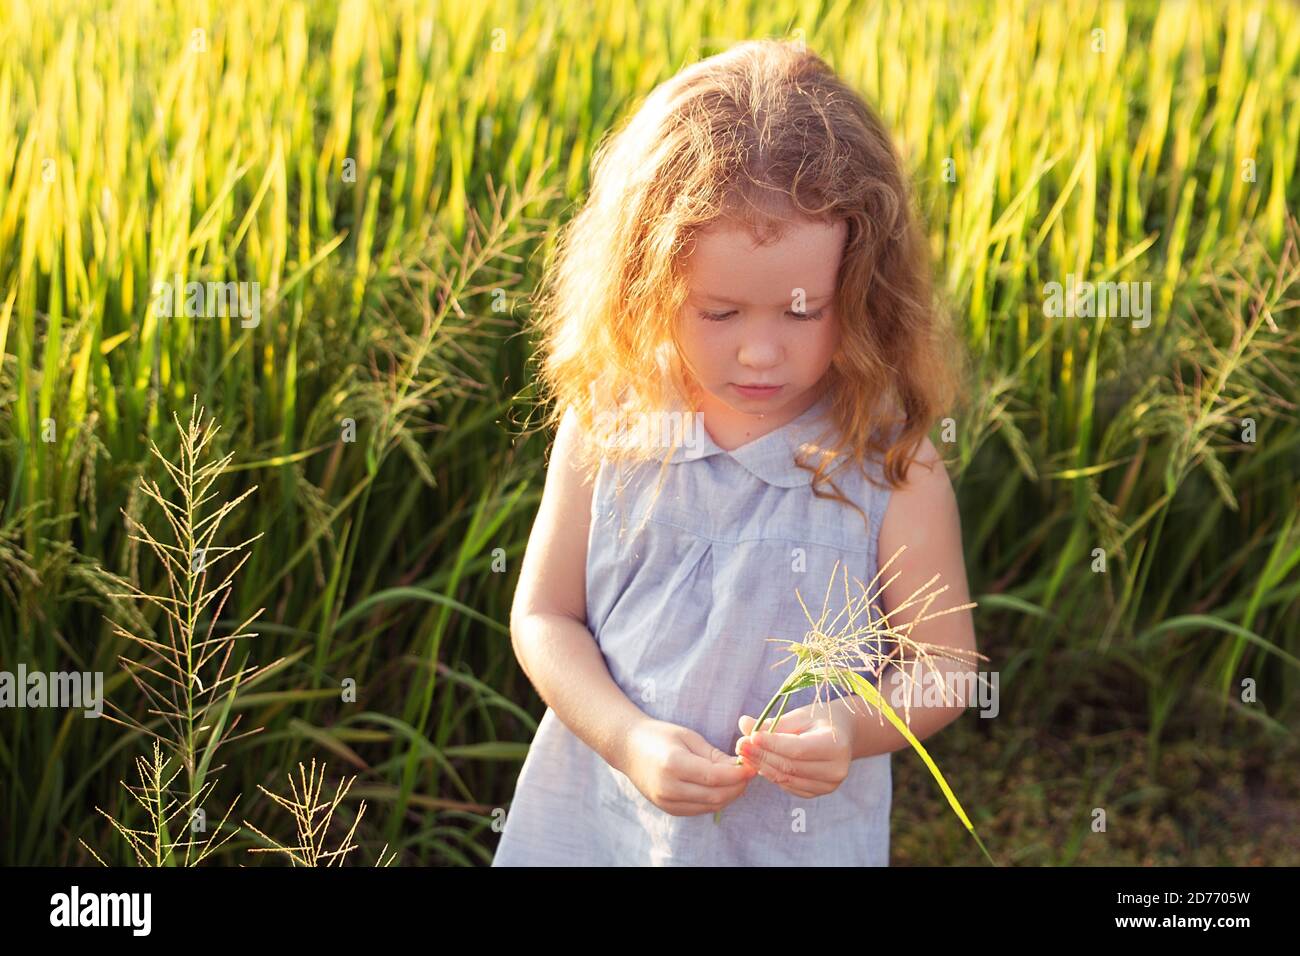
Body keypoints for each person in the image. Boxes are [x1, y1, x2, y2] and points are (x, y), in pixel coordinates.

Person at [494, 37, 978, 866]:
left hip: (789, 842)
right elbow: (544, 617)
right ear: (645, 287)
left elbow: (945, 665)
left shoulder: (887, 463)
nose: (760, 353)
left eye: (801, 312)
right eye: (719, 314)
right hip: (606, 823)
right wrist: (629, 740)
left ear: (863, 294)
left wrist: (850, 727)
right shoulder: (611, 423)